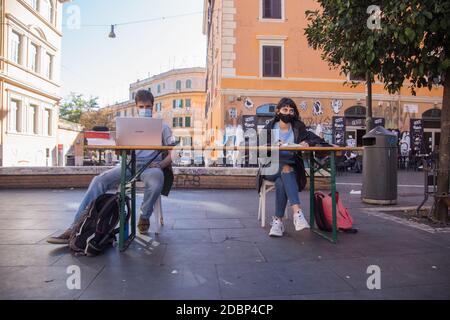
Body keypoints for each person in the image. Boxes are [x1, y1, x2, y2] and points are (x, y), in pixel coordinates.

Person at [47, 90, 174, 244]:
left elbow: (173, 154)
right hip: (127, 165)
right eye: (142, 106)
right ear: (136, 107)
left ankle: (144, 215)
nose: (145, 109)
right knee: (98, 180)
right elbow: (121, 153)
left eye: (148, 106)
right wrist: (118, 150)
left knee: (156, 181)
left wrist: (160, 164)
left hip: (150, 167)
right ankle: (75, 227)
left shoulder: (163, 127)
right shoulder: (128, 126)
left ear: (153, 107)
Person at [256, 97, 326, 237]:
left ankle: (277, 222)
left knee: (282, 179)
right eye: (285, 109)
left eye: (291, 110)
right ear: (278, 111)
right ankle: (297, 213)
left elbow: (313, 138)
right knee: (285, 168)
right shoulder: (269, 128)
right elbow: (260, 150)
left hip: (291, 170)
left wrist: (306, 142)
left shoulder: (297, 127)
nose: (288, 113)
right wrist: (272, 146)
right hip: (270, 168)